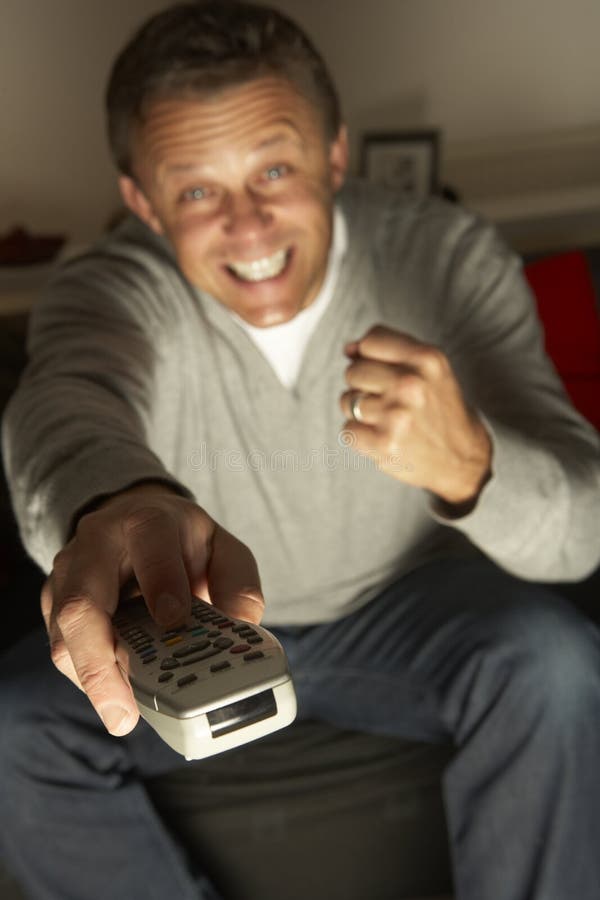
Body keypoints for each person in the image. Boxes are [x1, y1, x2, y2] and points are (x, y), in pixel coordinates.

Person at [1, 2, 600, 898]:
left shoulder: (450, 255)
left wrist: (475, 467)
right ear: (143, 203)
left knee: (555, 665)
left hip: (405, 610)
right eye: (197, 191)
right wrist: (114, 500)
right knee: (11, 727)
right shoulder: (108, 288)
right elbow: (68, 401)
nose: (249, 227)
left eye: (275, 169)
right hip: (185, 627)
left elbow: (584, 532)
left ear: (335, 155)